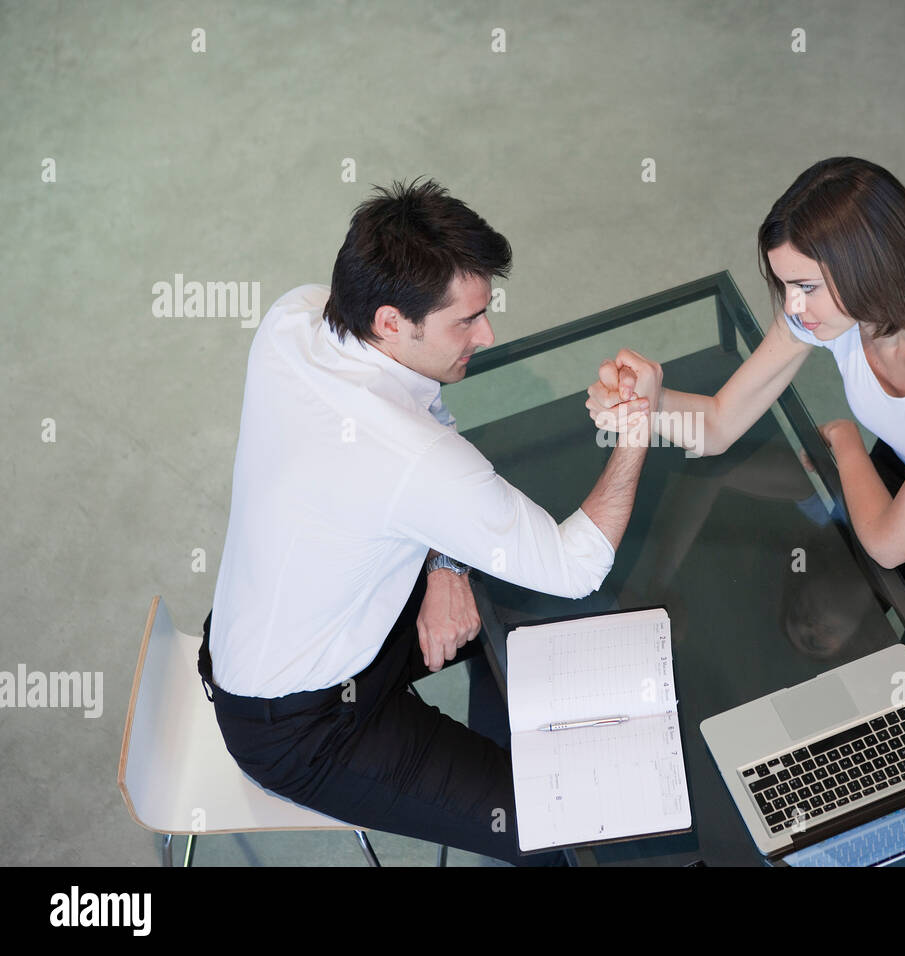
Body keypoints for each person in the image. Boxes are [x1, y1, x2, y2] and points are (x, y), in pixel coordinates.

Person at [199, 178, 657, 865]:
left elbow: (426, 415)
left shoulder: (296, 316)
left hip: (313, 618)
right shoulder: (415, 461)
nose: (488, 333)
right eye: (465, 322)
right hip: (301, 726)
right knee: (556, 820)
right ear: (391, 321)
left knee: (512, 589)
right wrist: (636, 435)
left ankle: (500, 705)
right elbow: (577, 567)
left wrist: (446, 563)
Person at [586, 157, 905, 677]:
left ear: (865, 264)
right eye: (785, 287)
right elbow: (715, 426)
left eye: (805, 286)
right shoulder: (840, 312)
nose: (793, 307)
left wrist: (847, 444)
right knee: (814, 634)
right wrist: (649, 401)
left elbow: (890, 545)